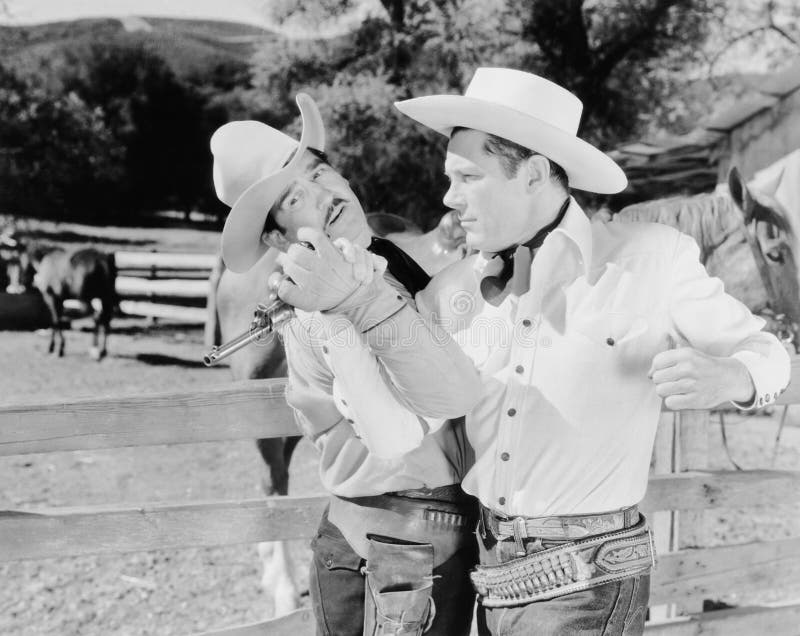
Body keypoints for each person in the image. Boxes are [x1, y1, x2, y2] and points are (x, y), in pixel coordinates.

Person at [385, 67, 792, 635]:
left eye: (468, 177)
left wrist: (735, 378)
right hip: (489, 581)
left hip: (590, 587)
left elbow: (768, 351)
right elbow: (400, 414)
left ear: (533, 174)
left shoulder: (652, 259)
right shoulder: (453, 290)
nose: (449, 198)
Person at [211, 93, 481, 636]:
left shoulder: (382, 263)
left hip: (417, 544)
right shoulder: (323, 306)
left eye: (319, 172)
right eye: (293, 198)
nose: (324, 194)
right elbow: (413, 421)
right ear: (276, 237)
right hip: (395, 554)